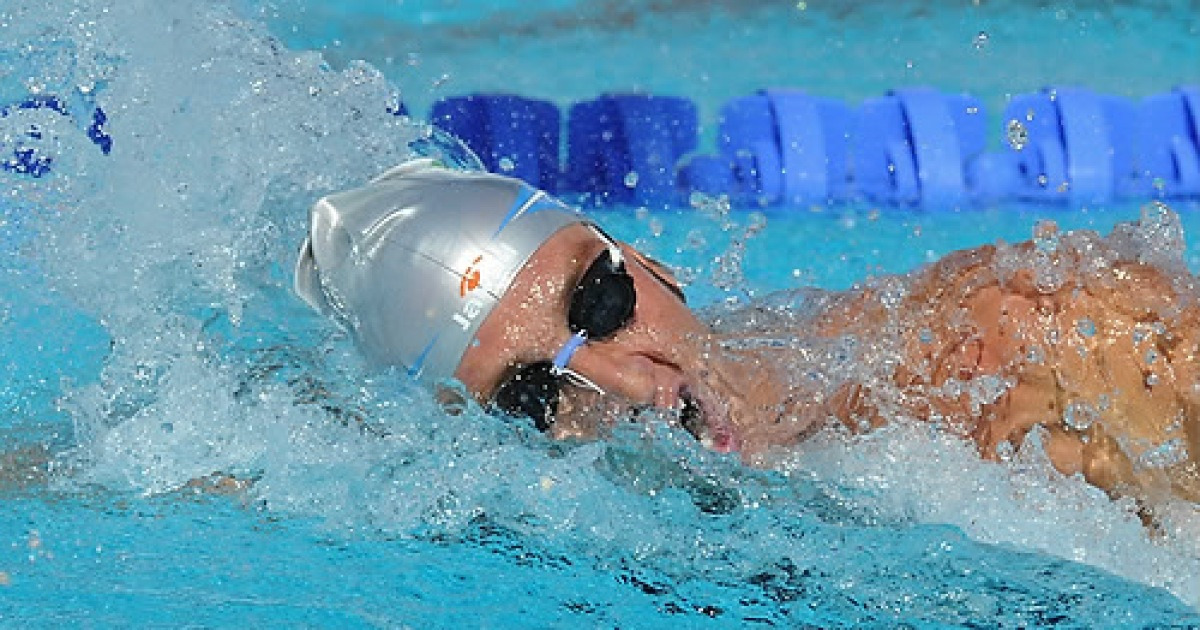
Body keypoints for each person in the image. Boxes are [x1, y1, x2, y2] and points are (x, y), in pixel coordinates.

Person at [295, 159, 1200, 513]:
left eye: (602, 306)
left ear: (646, 258)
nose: (631, 386)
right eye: (534, 397)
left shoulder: (1008, 342)